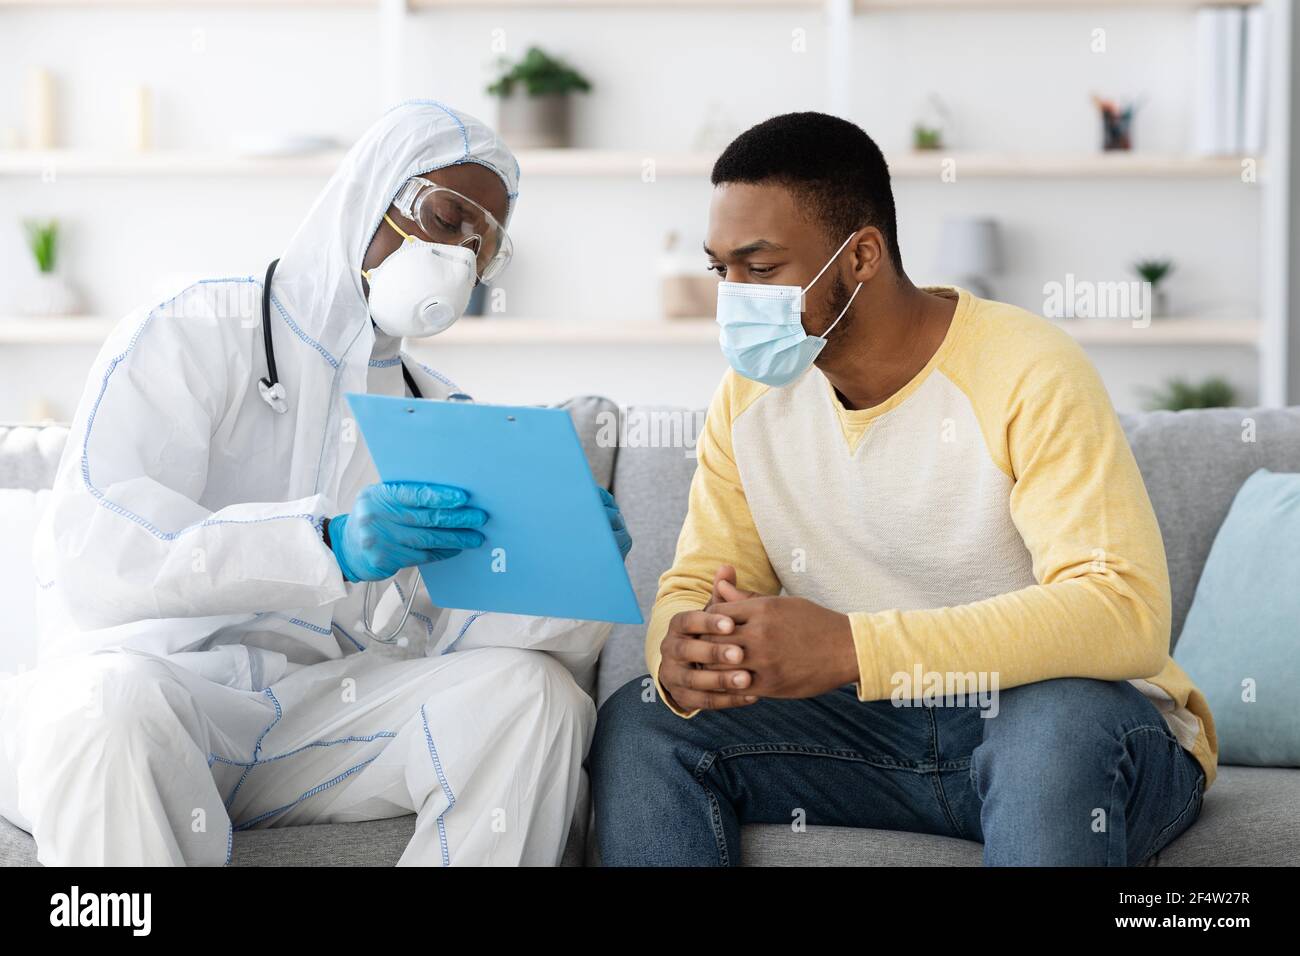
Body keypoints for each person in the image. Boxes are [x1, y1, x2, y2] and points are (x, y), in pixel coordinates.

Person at [0, 101, 630, 866]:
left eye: (483, 242)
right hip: (157, 693)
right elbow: (98, 550)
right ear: (372, 194)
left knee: (535, 701)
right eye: (446, 216)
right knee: (104, 707)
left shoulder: (441, 414)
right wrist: (321, 544)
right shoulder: (192, 327)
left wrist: (567, 570)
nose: (460, 256)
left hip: (324, 716)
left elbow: (466, 640)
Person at [589, 112, 1216, 866]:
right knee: (647, 716)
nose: (733, 297)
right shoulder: (749, 398)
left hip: (1075, 732)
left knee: (1050, 722)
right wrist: (682, 645)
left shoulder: (1027, 369)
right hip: (875, 735)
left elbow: (1122, 610)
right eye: (721, 269)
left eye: (761, 269)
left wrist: (854, 646)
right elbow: (705, 578)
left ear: (860, 256)